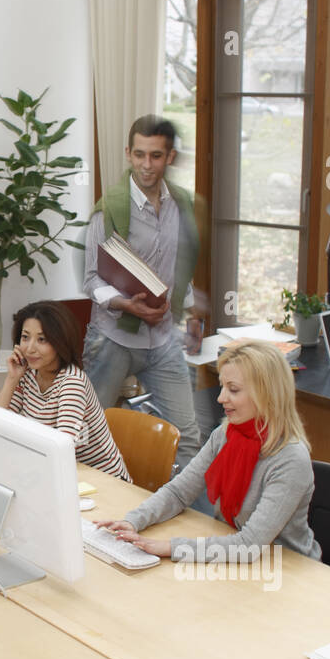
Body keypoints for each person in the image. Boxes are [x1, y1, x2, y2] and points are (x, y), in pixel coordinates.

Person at [95, 340, 320, 563]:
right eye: (222, 387)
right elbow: (179, 492)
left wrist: (170, 547)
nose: (221, 398)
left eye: (233, 389)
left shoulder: (290, 459)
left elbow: (249, 545)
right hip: (237, 554)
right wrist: (133, 521)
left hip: (286, 569)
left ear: (267, 394)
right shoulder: (225, 435)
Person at [82, 114, 205, 470]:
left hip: (164, 339)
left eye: (155, 156)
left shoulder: (182, 206)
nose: (145, 164)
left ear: (170, 158)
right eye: (139, 155)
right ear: (128, 153)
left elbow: (179, 271)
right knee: (92, 435)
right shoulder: (110, 210)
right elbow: (91, 280)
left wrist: (193, 314)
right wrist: (126, 304)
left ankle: (184, 520)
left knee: (187, 436)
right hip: (111, 340)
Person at [0, 301, 130, 481]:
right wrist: (11, 379)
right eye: (25, 337)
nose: (30, 348)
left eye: (42, 339)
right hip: (63, 474)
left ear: (60, 341)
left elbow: (61, 450)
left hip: (102, 481)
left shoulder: (72, 382)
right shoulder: (27, 373)